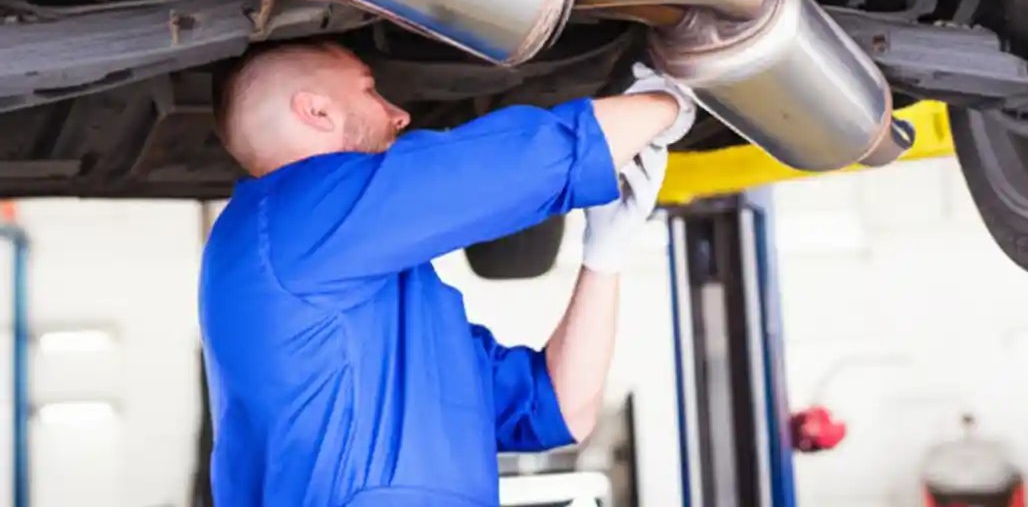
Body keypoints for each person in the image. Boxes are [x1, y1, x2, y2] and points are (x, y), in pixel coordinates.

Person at [199, 41, 695, 507]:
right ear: (316, 111)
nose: (400, 114)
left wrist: (603, 257)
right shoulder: (287, 217)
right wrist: (676, 96)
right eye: (371, 90)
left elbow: (560, 409)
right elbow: (501, 169)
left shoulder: (379, 292)